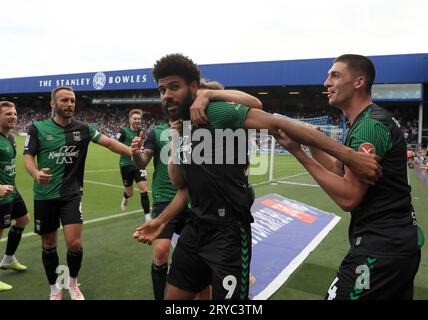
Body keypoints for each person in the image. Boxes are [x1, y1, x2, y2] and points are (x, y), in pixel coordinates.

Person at [134, 53, 381, 300]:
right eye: (162, 89)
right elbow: (182, 186)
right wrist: (161, 221)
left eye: (173, 87)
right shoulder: (183, 128)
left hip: (228, 233)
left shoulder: (216, 111)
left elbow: (276, 124)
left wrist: (349, 156)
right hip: (195, 229)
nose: (166, 95)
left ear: (194, 87)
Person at [276, 54, 422, 299]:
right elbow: (338, 170)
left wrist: (298, 153)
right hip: (397, 244)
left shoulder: (369, 127)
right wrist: (313, 145)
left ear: (358, 82)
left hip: (380, 249)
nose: (326, 83)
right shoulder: (366, 121)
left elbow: (348, 198)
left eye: (335, 75)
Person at [132, 79, 262, 300]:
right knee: (176, 267)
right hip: (187, 212)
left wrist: (211, 95)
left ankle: (236, 272)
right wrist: (175, 138)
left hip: (224, 220)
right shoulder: (181, 132)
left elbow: (255, 104)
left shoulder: (222, 128)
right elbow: (180, 184)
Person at [23, 86, 132, 300]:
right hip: (45, 195)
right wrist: (36, 173)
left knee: (74, 243)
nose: (69, 104)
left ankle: (72, 283)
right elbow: (28, 157)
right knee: (49, 244)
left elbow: (109, 143)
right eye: (64, 100)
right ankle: (54, 289)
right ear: (53, 104)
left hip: (71, 194)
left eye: (72, 100)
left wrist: (133, 151)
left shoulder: (84, 129)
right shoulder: (37, 128)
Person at [0, 101, 31, 292]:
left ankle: (9, 258)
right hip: (1, 192)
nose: (13, 116)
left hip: (12, 189)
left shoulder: (10, 138)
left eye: (15, 113)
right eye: (8, 114)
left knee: (23, 219)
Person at [116, 109, 150, 219]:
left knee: (144, 189)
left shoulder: (141, 132)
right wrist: (130, 150)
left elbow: (141, 147)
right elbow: (115, 145)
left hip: (138, 164)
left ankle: (147, 218)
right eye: (135, 118)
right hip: (125, 165)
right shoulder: (123, 132)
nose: (137, 121)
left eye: (139, 119)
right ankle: (126, 197)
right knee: (130, 193)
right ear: (130, 120)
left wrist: (141, 149)